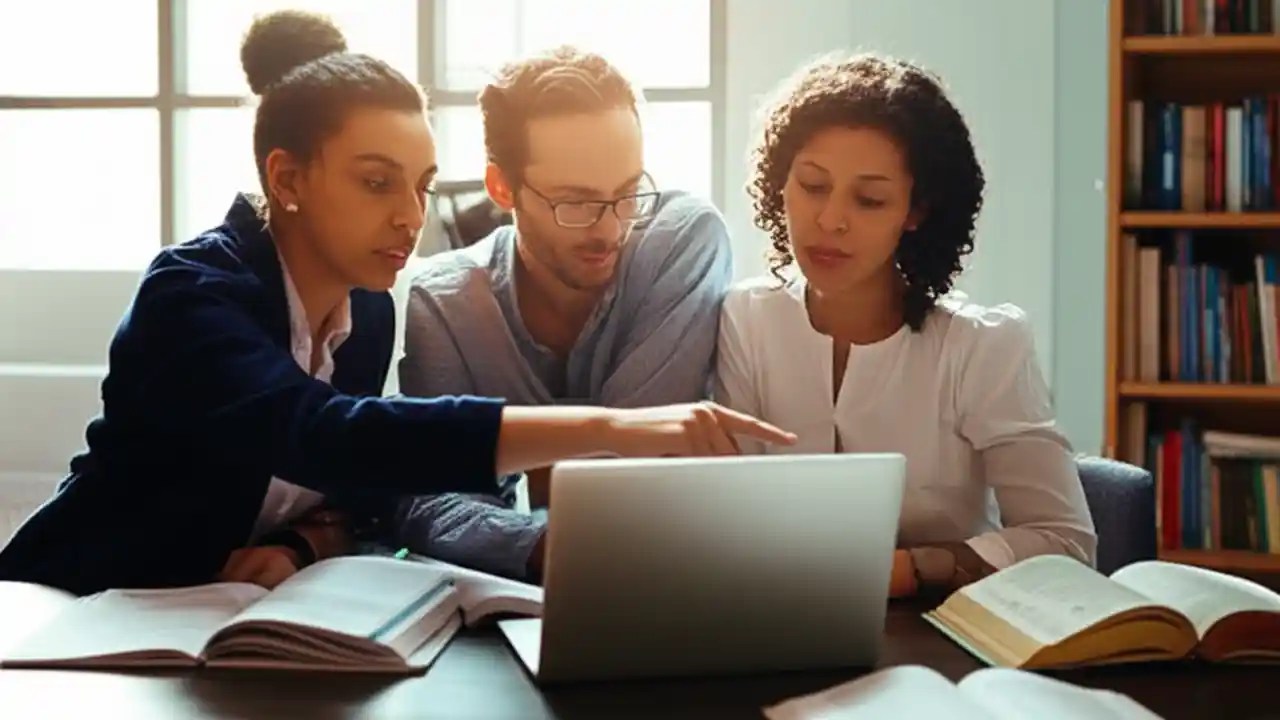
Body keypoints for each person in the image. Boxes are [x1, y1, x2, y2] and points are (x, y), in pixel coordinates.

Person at [0, 12, 792, 597]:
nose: (411, 217)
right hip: (77, 604)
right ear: (287, 180)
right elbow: (320, 436)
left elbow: (363, 492)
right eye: (378, 183)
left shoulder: (367, 312)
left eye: (419, 185)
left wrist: (303, 547)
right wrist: (611, 426)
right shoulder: (191, 294)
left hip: (222, 613)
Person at [714, 53, 1096, 599]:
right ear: (781, 184)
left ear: (915, 211)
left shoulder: (983, 346)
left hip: (952, 632)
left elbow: (1067, 541)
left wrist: (911, 569)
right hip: (781, 622)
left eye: (869, 199)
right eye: (813, 185)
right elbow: (733, 521)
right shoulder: (745, 320)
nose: (830, 220)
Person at [393, 47, 733, 582]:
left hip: (676, 570)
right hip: (553, 586)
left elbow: (641, 466)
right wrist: (546, 544)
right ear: (502, 188)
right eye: (575, 202)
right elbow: (429, 503)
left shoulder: (681, 239)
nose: (609, 229)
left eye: (626, 193)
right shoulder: (445, 299)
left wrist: (517, 463)